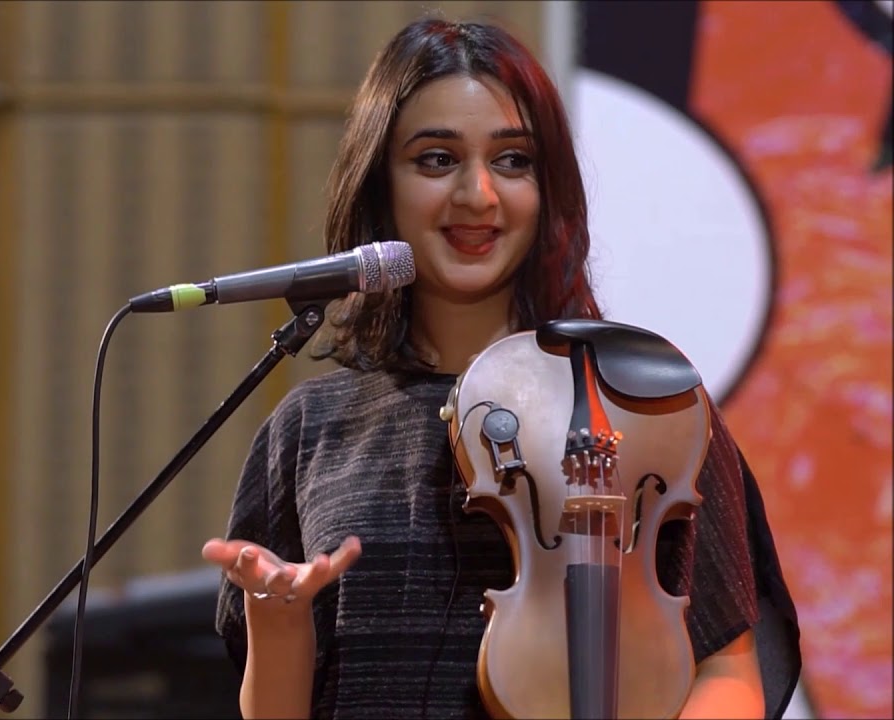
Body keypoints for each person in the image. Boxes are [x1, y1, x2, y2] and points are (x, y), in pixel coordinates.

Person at [199, 15, 802, 720]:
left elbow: (728, 674)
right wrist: (278, 623)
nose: (478, 195)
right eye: (436, 160)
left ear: (548, 188)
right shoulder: (308, 430)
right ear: (379, 183)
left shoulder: (644, 405)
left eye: (513, 160)